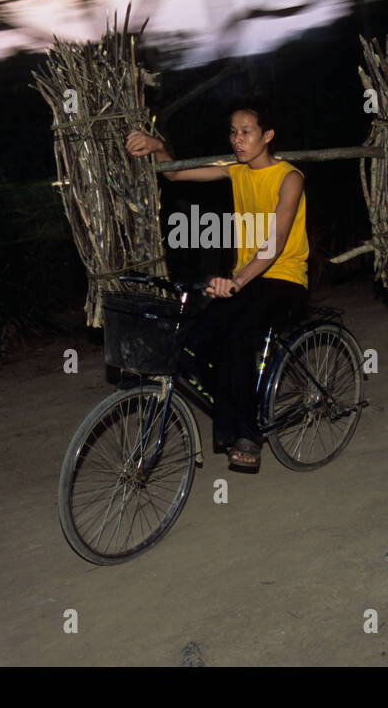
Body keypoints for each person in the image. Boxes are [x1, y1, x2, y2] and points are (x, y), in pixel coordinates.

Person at [125, 100, 309, 470]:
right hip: (247, 281)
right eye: (233, 132)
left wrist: (236, 280)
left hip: (284, 279)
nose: (237, 140)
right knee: (194, 344)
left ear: (267, 135)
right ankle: (234, 415)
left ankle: (246, 431)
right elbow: (175, 175)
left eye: (246, 132)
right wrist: (158, 146)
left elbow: (274, 243)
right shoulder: (236, 170)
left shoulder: (289, 178)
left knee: (238, 332)